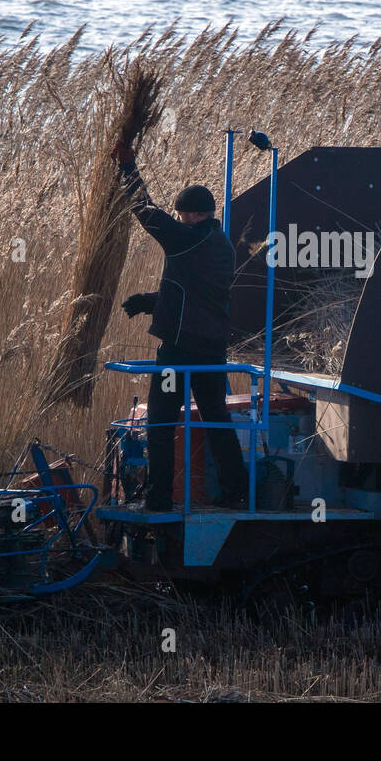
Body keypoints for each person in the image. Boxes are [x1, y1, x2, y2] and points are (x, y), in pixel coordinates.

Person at [111, 143, 249, 511]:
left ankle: (158, 499)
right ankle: (237, 492)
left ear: (189, 214)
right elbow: (196, 293)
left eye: (180, 214)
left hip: (179, 349)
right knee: (216, 418)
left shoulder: (186, 239)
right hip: (211, 349)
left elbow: (145, 211)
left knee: (160, 420)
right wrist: (149, 301)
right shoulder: (220, 244)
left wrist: (128, 168)